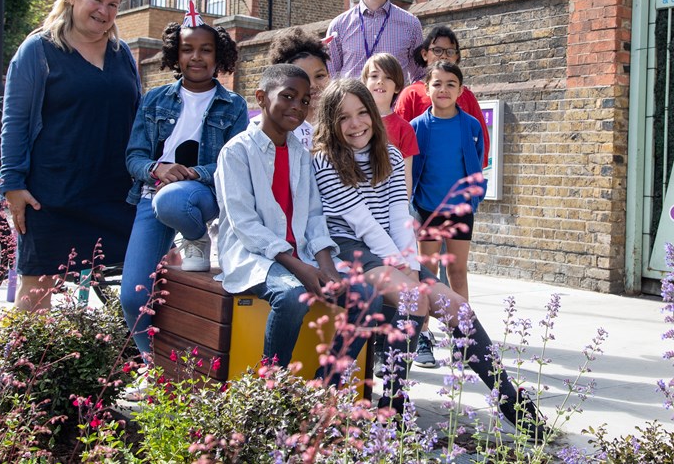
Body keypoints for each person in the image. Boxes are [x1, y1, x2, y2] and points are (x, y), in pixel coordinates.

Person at [311, 79, 549, 439]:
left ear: (374, 115)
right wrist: (401, 263)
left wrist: (406, 258)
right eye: (344, 117)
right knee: (413, 297)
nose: (356, 123)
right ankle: (391, 405)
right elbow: (360, 220)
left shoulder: (389, 154)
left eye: (363, 113)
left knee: (457, 309)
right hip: (349, 248)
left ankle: (510, 401)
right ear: (331, 122)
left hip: (390, 249)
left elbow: (397, 212)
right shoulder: (324, 161)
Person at [214, 64, 381, 374]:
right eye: (288, 96)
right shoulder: (236, 152)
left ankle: (327, 385)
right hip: (255, 257)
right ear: (262, 98)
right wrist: (302, 269)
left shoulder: (301, 155)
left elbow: (315, 217)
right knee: (293, 295)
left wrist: (327, 268)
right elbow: (245, 226)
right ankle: (270, 389)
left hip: (304, 256)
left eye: (305, 100)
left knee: (368, 297)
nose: (297, 106)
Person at [0, 0, 141, 312]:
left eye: (113, 5)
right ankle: (24, 367)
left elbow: (137, 116)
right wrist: (12, 183)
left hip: (115, 193)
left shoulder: (122, 54)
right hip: (52, 194)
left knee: (155, 276)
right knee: (37, 291)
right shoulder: (39, 49)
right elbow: (15, 121)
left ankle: (139, 363)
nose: (104, 11)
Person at [121, 4, 248, 360]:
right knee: (132, 295)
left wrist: (193, 173)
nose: (197, 57)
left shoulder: (233, 106)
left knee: (175, 200)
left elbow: (231, 162)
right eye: (188, 49)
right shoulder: (154, 100)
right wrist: (156, 170)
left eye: (206, 50)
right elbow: (134, 157)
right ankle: (154, 362)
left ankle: (195, 236)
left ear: (218, 55)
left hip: (201, 196)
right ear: (175, 55)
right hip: (152, 194)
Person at [410, 61, 486, 363]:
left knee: (457, 271)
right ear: (427, 88)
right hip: (427, 209)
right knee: (425, 274)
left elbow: (475, 162)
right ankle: (423, 335)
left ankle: (462, 335)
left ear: (461, 90)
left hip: (461, 212)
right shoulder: (417, 126)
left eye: (450, 84)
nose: (443, 89)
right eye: (437, 83)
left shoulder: (471, 126)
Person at [394, 25, 489, 167]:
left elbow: (482, 141)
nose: (444, 56)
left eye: (450, 51)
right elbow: (398, 140)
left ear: (456, 57)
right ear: (425, 54)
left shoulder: (466, 96)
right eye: (437, 50)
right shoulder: (410, 95)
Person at [325, 0, 423, 82]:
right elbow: (331, 78)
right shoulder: (338, 26)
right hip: (351, 102)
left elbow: (419, 76)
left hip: (393, 103)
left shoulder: (411, 25)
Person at [360, 52, 418, 195]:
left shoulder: (405, 129)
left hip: (390, 203)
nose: (380, 81)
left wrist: (403, 210)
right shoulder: (354, 121)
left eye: (388, 77)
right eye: (374, 76)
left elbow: (406, 176)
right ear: (364, 82)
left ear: (397, 87)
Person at [265, 28, 331, 150]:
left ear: (329, 75)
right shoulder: (274, 127)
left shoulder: (341, 120)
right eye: (303, 77)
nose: (312, 85)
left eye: (320, 76)